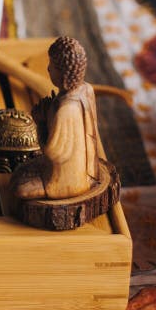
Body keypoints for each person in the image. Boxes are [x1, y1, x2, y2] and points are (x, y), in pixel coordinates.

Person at [11, 36, 100, 200]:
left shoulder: (66, 109)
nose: (48, 69)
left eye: (52, 66)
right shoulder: (87, 89)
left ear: (64, 74)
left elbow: (52, 153)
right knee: (20, 171)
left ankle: (73, 187)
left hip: (66, 180)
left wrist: (41, 122)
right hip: (89, 171)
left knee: (19, 187)